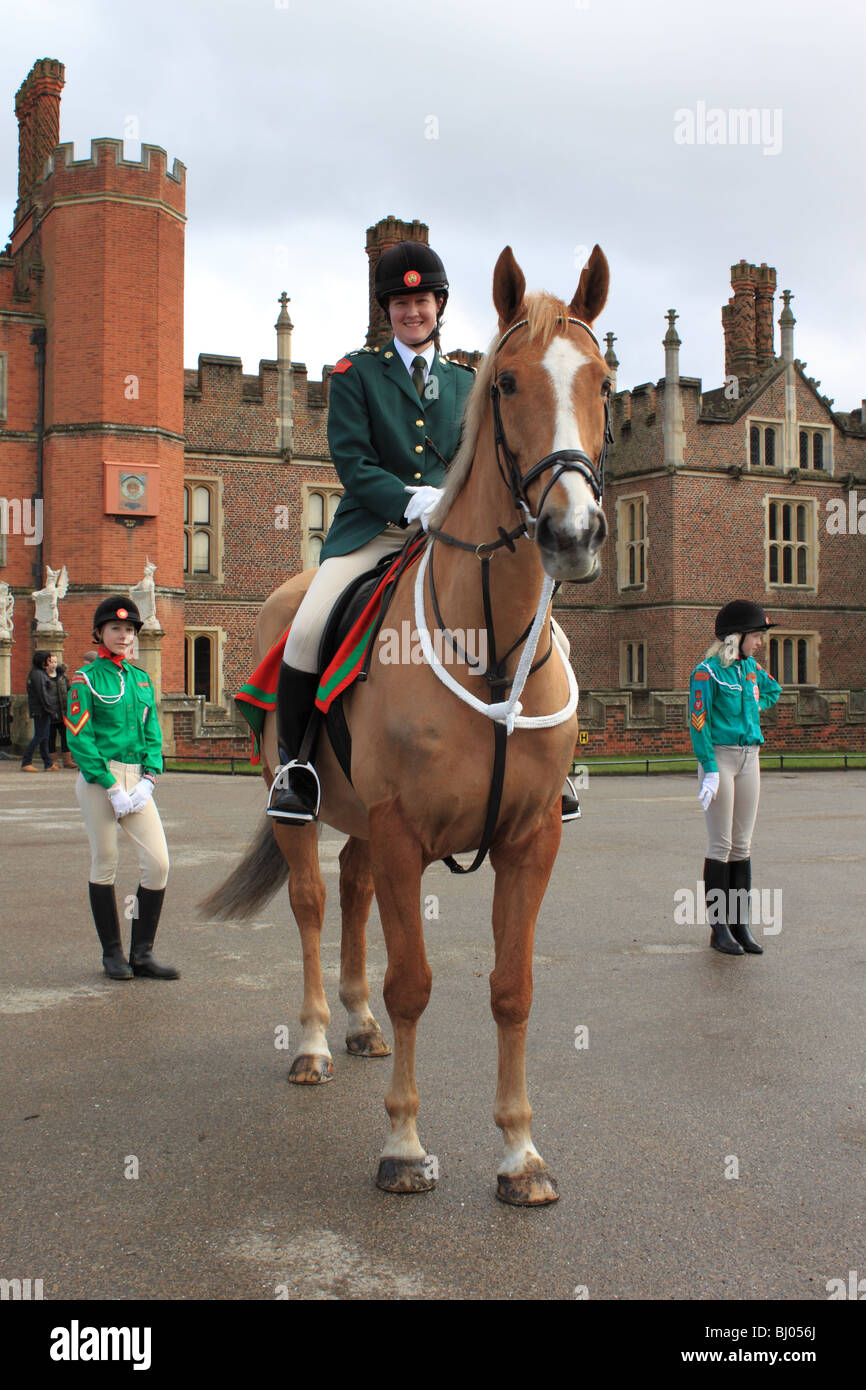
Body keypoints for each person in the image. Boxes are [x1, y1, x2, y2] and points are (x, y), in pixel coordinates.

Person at [267, 240, 476, 823]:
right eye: (401, 302)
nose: (414, 311)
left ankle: (549, 763)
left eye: (423, 300)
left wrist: (452, 504)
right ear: (387, 310)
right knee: (307, 629)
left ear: (440, 305)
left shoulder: (466, 382)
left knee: (533, 621)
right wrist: (412, 501)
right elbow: (353, 465)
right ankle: (295, 769)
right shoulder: (356, 373)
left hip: (449, 538)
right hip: (372, 534)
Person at [65, 597, 178, 981]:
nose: (124, 635)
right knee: (106, 860)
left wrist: (149, 778)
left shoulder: (141, 678)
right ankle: (113, 954)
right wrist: (111, 786)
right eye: (116, 628)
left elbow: (152, 731)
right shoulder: (85, 678)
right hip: (101, 780)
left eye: (130, 630)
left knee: (158, 864)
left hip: (137, 780)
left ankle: (142, 953)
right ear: (100, 633)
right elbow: (80, 738)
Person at [688, 600, 782, 955]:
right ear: (736, 636)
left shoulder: (752, 671)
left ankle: (740, 924)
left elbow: (773, 691)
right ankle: (719, 929)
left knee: (742, 846)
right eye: (755, 636)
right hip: (721, 761)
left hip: (750, 758)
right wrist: (709, 767)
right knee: (720, 845)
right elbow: (699, 723)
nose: (759, 642)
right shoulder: (706, 673)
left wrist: (750, 707)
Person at [21, 650, 59, 772]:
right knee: (39, 736)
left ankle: (48, 763)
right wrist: (50, 709)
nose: (49, 663)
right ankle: (26, 762)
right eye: (48, 660)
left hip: (42, 709)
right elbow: (43, 695)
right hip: (42, 710)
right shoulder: (38, 675)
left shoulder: (38, 673)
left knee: (44, 737)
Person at [48, 661, 75, 768]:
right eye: (51, 662)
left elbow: (69, 690)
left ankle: (67, 761)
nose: (53, 664)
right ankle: (53, 762)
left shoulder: (63, 677)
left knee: (66, 736)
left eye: (55, 662)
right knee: (51, 737)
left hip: (63, 712)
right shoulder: (45, 677)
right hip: (51, 712)